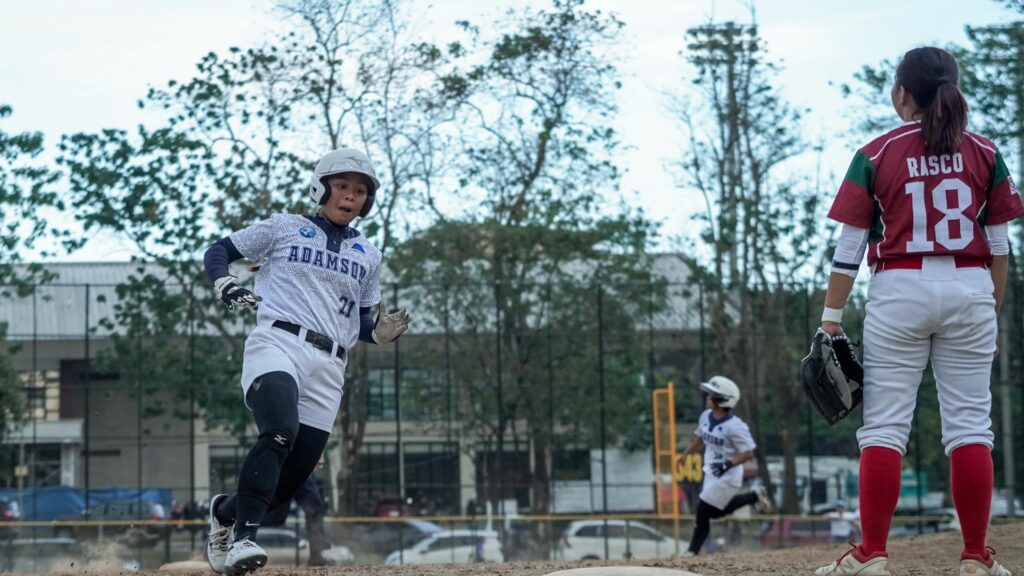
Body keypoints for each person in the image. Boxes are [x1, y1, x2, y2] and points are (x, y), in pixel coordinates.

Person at [814, 47, 1022, 576]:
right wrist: (986, 304)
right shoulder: (984, 151)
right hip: (971, 285)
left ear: (903, 93)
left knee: (884, 429)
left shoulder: (878, 152)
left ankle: (871, 555)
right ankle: (975, 555)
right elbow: (999, 248)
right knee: (971, 427)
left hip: (900, 288)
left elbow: (850, 248)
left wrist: (830, 317)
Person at [201, 147, 412, 576]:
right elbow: (218, 251)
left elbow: (362, 323)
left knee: (288, 484)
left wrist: (379, 332)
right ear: (321, 187)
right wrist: (225, 283)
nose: (351, 196)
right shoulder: (285, 227)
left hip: (331, 364)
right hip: (278, 343)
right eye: (342, 186)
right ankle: (243, 540)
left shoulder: (368, 255)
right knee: (279, 432)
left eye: (359, 191)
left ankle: (224, 512)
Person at [679, 376, 772, 556]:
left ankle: (692, 550)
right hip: (711, 472)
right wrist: (685, 454)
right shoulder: (706, 416)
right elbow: (700, 440)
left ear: (722, 400)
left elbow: (748, 453)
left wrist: (727, 464)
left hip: (728, 475)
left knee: (703, 509)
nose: (707, 397)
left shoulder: (735, 426)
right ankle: (754, 497)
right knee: (713, 513)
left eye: (711, 395)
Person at [261, 459, 331, 566]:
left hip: (299, 467)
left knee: (314, 508)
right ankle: (236, 528)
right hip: (279, 466)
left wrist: (316, 455)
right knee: (276, 518)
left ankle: (316, 555)